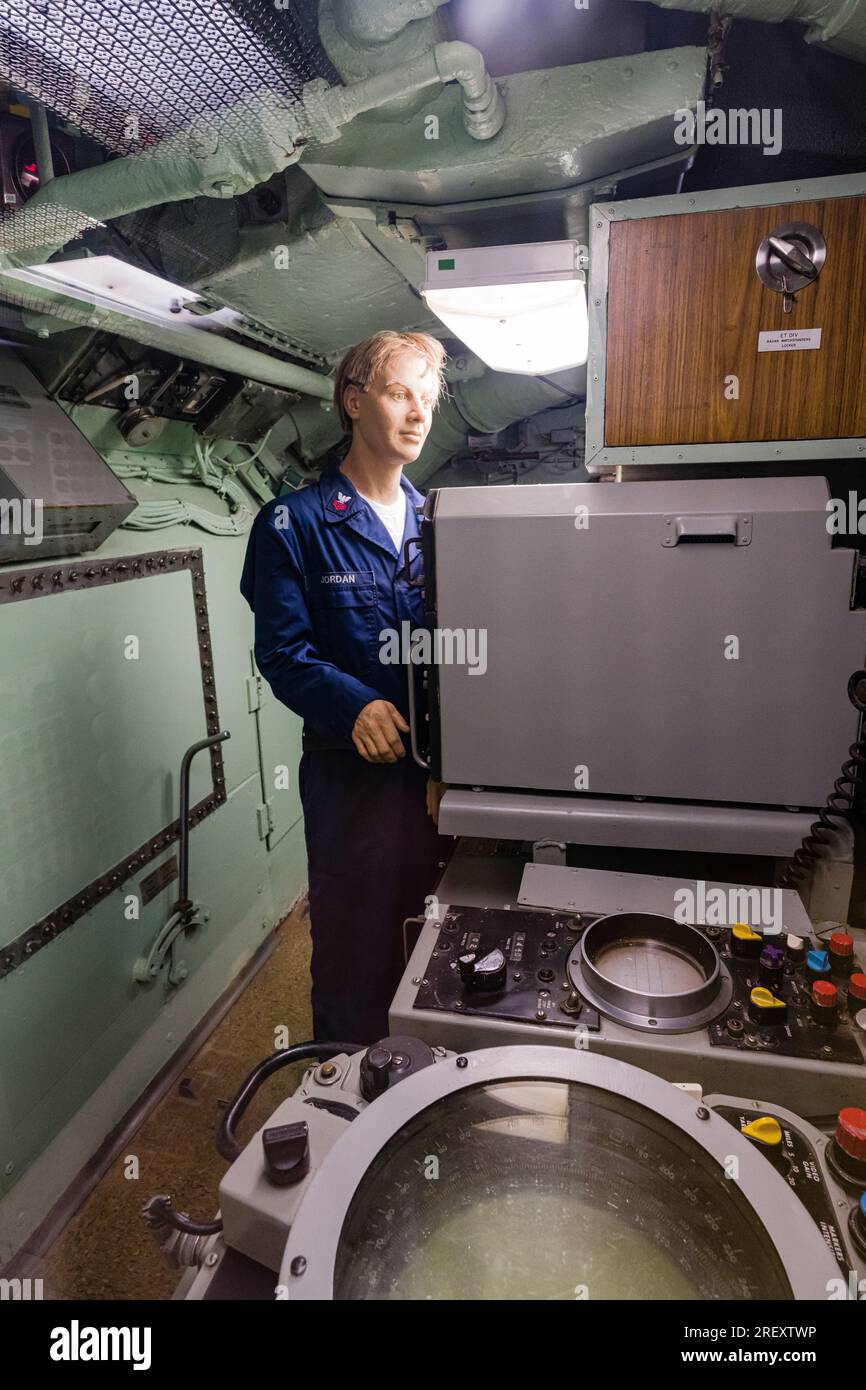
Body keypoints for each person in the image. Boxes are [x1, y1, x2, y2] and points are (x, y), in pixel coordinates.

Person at [240, 330, 452, 1044]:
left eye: (427, 398)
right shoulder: (293, 524)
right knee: (355, 952)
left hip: (442, 784)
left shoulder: (440, 523)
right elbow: (283, 651)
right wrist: (354, 703)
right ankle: (344, 1100)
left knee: (442, 943)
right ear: (354, 401)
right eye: (400, 393)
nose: (418, 413)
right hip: (351, 784)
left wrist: (453, 763)